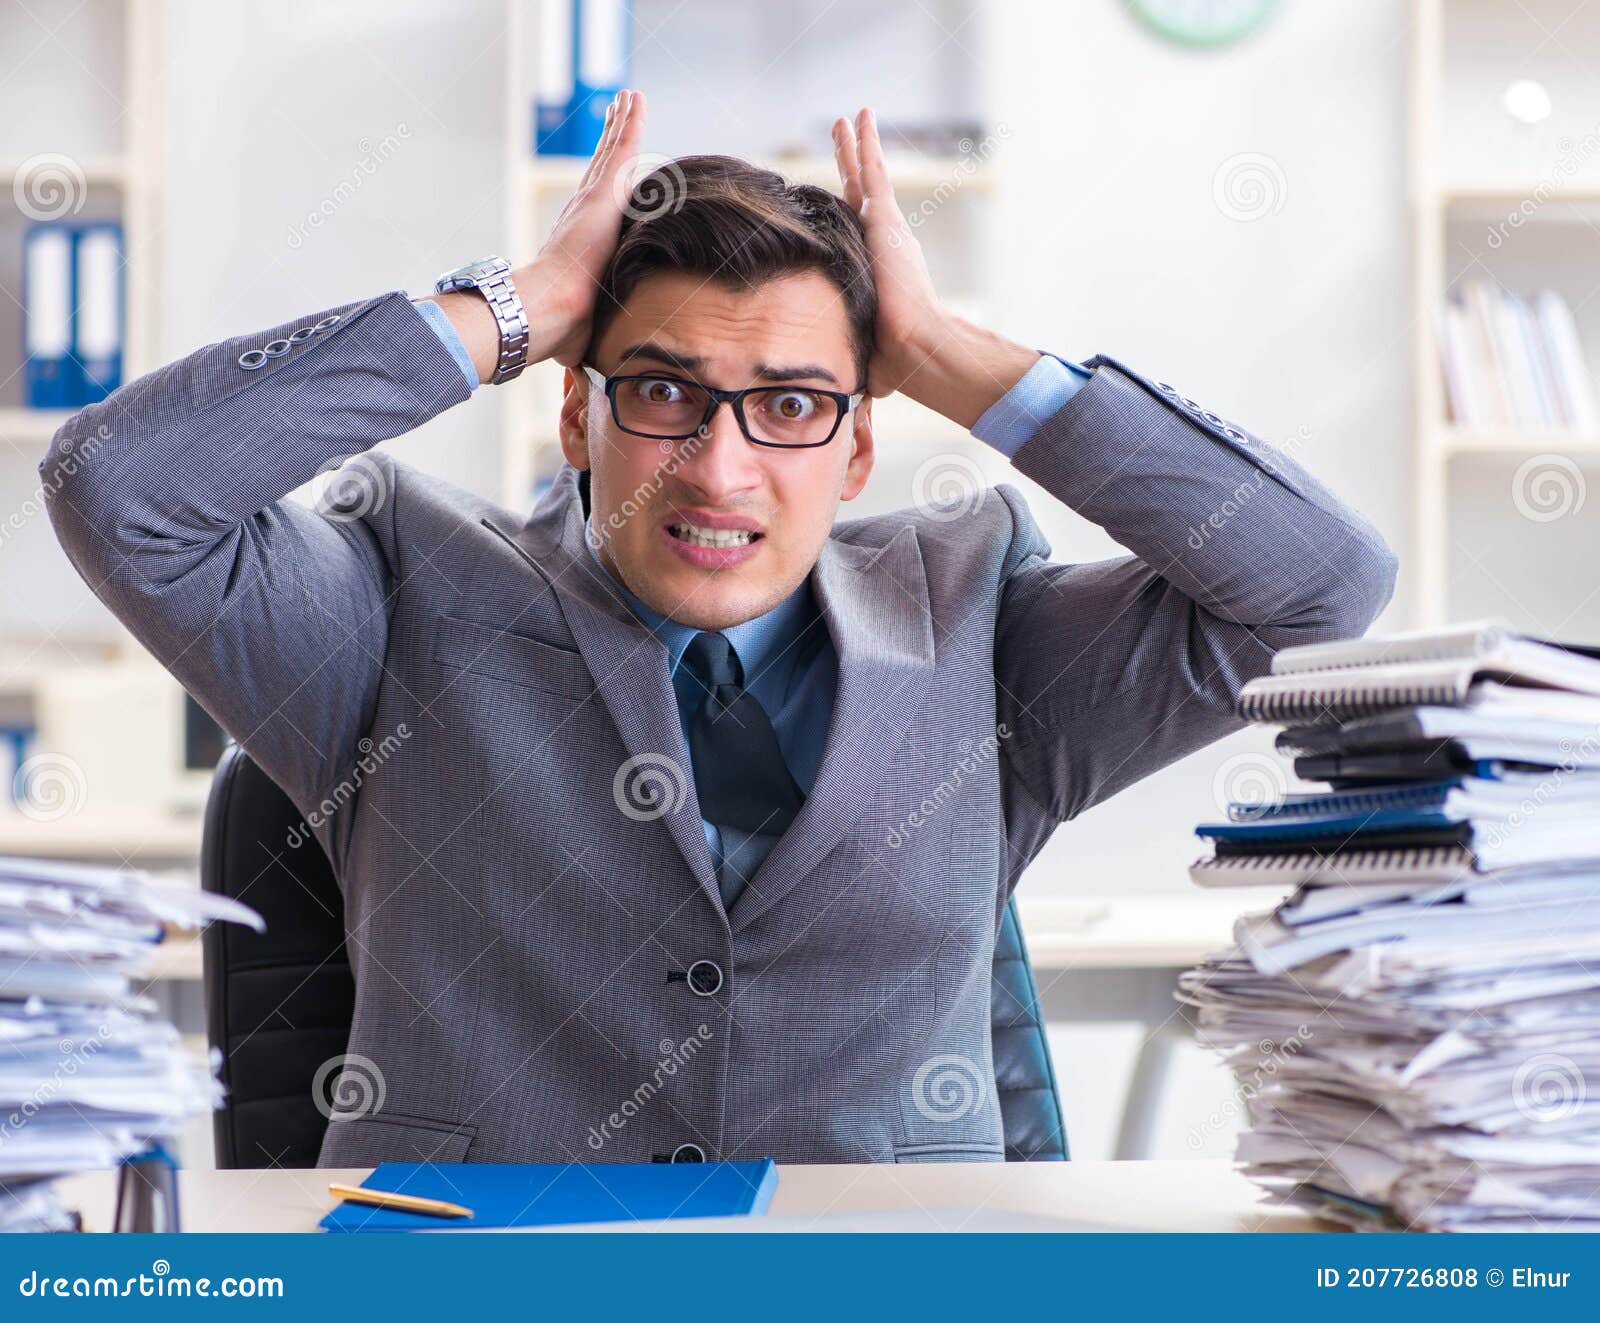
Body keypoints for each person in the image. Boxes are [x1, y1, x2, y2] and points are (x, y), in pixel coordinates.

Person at [43, 92, 1395, 1166]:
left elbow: (1320, 585)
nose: (719, 469)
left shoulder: (977, 617)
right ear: (575, 416)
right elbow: (118, 487)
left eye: (793, 404)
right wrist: (513, 310)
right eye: (661, 393)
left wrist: (943, 352)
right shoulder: (393, 603)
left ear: (858, 449)